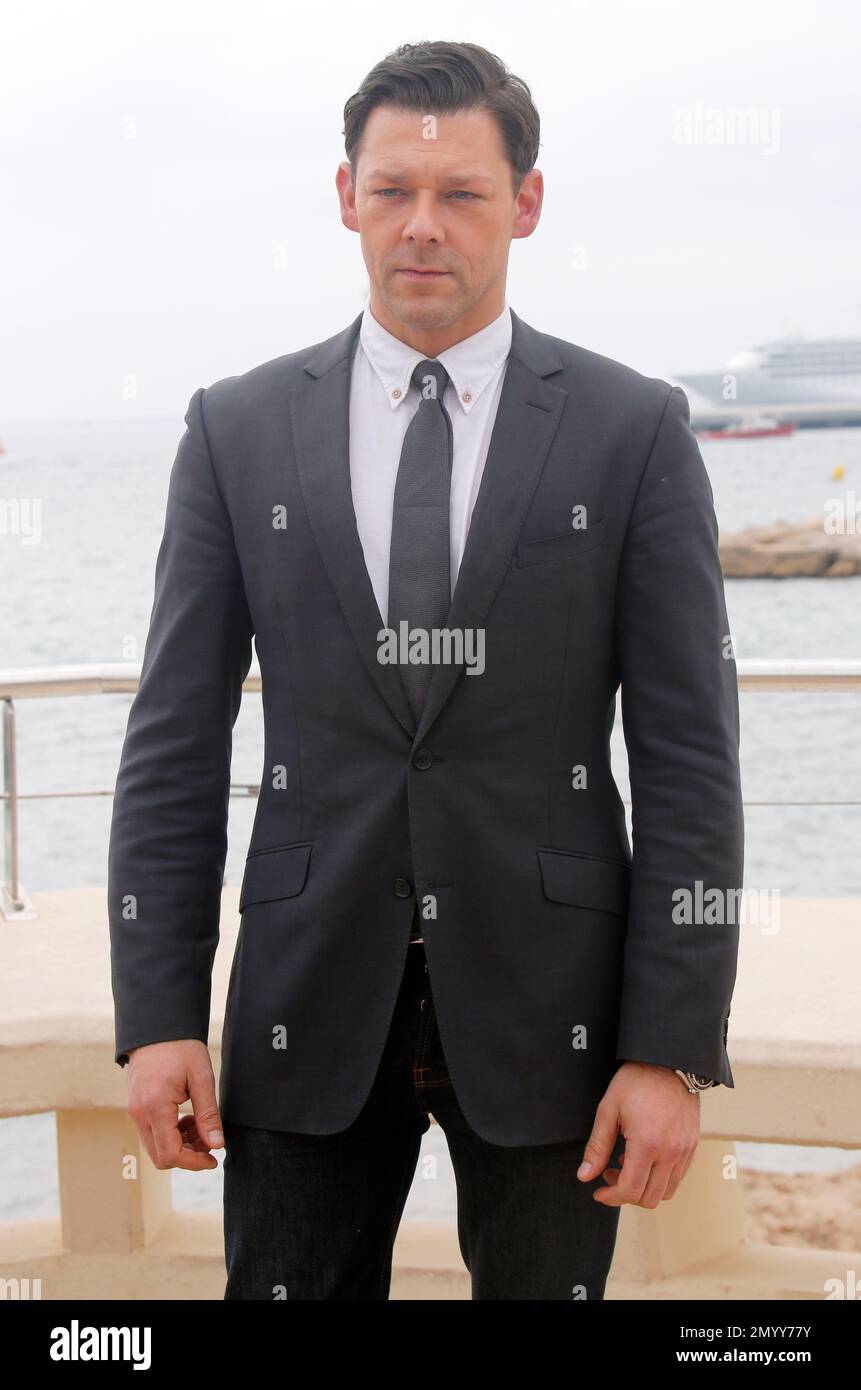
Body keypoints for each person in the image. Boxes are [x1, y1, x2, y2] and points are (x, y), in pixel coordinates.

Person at [108, 39, 744, 1300]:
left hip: (555, 1013)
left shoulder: (634, 432)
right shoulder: (235, 430)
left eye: (461, 194)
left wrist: (672, 1048)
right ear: (345, 195)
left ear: (527, 202)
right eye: (393, 188)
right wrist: (160, 1012)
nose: (423, 226)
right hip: (304, 997)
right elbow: (174, 741)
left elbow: (691, 762)